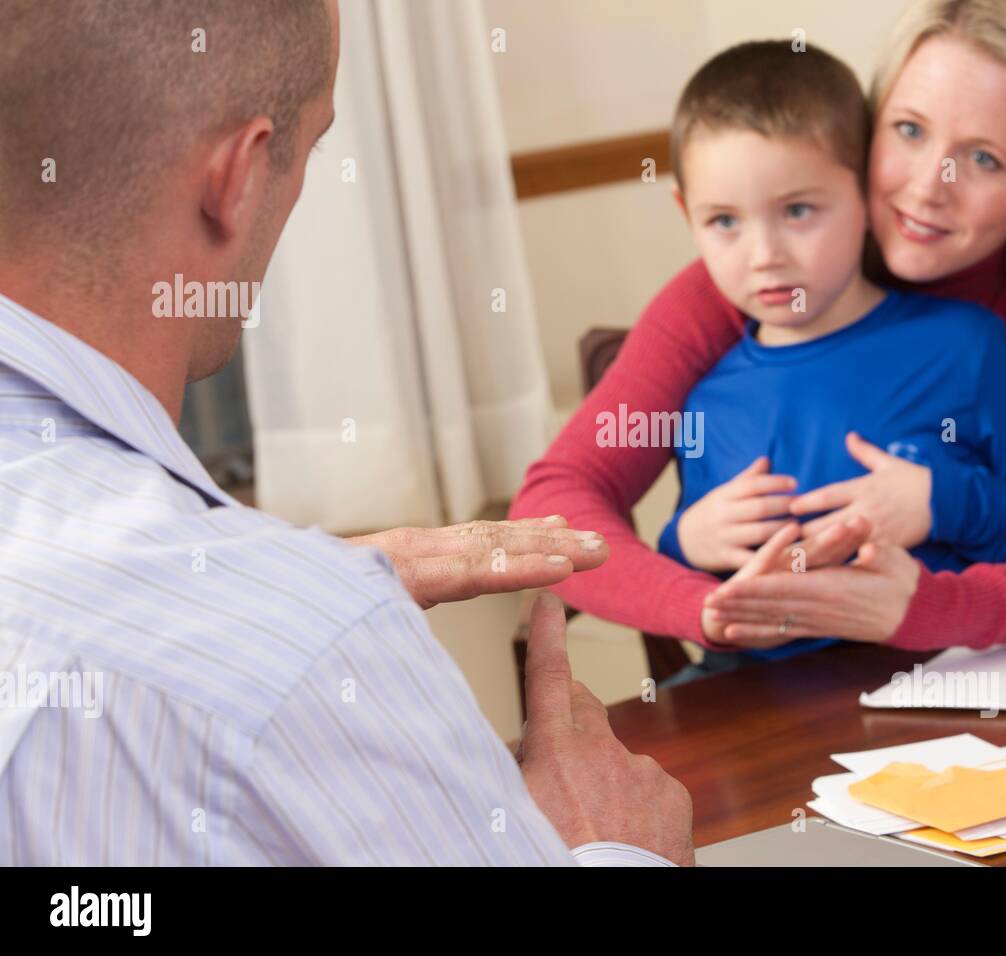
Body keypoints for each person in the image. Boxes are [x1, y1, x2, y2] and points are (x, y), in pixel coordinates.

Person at [0, 0, 691, 866]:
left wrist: (264, 602)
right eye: (312, 145)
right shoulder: (310, 655)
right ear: (237, 178)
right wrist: (613, 849)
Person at [510, 0, 1006, 655]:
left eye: (985, 158)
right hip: (768, 698)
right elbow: (553, 506)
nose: (930, 185)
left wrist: (936, 603)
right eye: (909, 130)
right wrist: (705, 602)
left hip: (979, 685)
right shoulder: (757, 284)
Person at [652, 41, 1006, 681]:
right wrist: (684, 540)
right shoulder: (708, 401)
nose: (764, 254)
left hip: (953, 681)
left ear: (866, 194)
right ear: (686, 216)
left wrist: (944, 503)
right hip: (759, 705)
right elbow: (704, 587)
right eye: (724, 220)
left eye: (798, 210)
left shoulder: (966, 347)